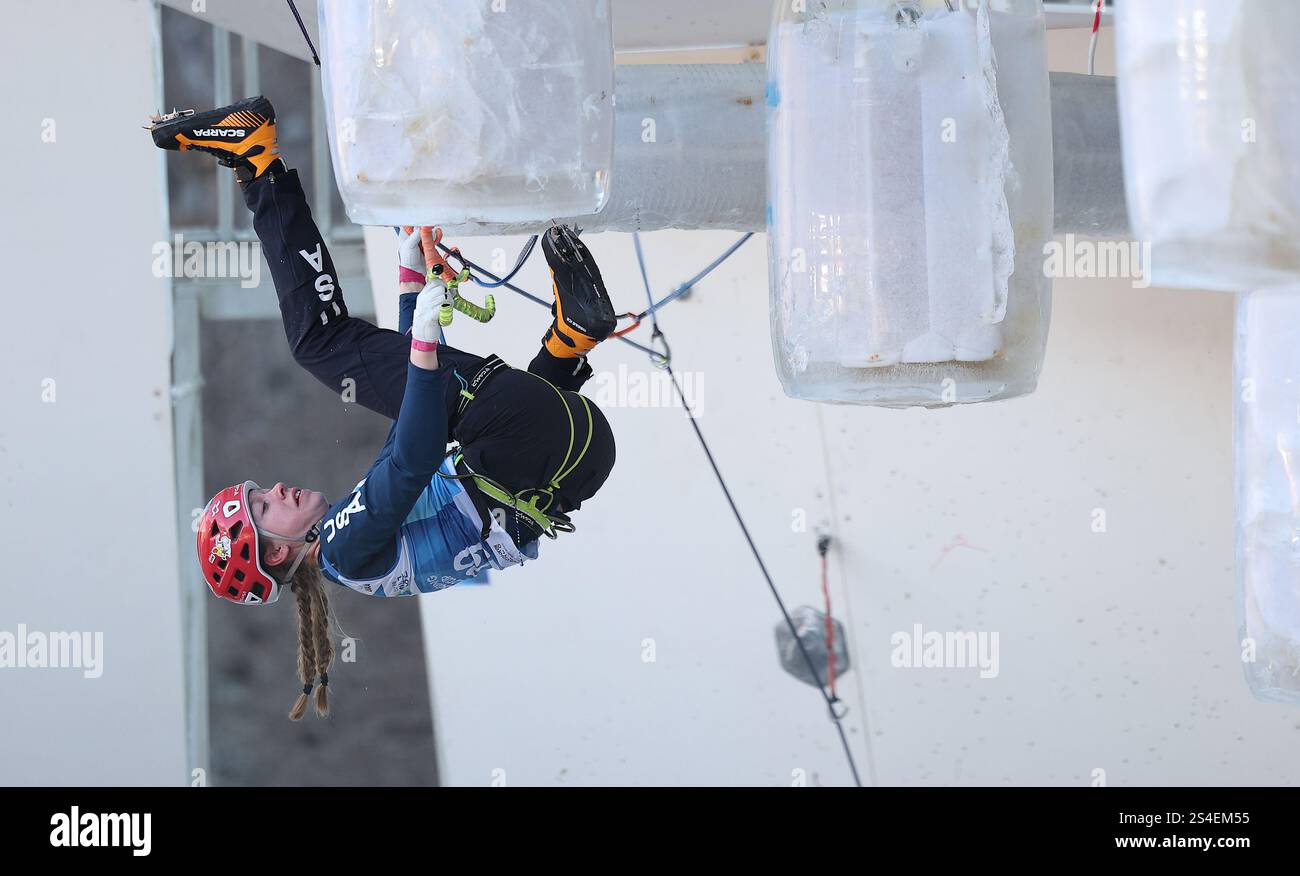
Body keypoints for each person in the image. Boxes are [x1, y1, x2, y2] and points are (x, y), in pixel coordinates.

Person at [148, 96, 618, 719]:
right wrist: (422, 335)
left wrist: (409, 284)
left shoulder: (357, 556)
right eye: (262, 508)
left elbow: (411, 425)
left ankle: (571, 339)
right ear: (279, 553)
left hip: (572, 454)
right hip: (525, 440)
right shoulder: (342, 549)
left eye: (258, 490)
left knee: (427, 406)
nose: (276, 489)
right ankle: (255, 159)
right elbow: (416, 450)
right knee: (320, 343)